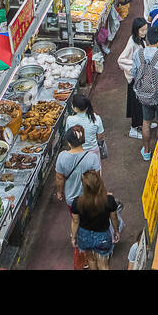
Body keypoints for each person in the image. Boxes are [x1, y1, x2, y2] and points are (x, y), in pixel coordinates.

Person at [54, 127, 100, 261]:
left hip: (72, 199)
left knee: (76, 220)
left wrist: (59, 192)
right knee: (90, 220)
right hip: (89, 198)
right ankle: (93, 245)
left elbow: (59, 178)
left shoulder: (62, 157)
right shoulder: (92, 157)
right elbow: (97, 178)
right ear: (82, 140)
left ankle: (80, 245)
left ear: (69, 142)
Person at [131, 27, 158, 159]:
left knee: (146, 122)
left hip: (144, 93)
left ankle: (146, 151)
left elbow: (134, 73)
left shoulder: (137, 54)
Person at [71, 170, 121, 270]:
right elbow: (114, 217)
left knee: (91, 260)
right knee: (104, 264)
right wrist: (116, 231)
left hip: (84, 236)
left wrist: (73, 237)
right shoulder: (109, 200)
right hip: (102, 236)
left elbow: (75, 221)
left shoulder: (77, 202)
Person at [118, 17, 153, 139]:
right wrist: (135, 66)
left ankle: (144, 121)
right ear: (136, 30)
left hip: (141, 78)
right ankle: (133, 128)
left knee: (142, 103)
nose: (144, 32)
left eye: (145, 30)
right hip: (134, 80)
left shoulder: (141, 40)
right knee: (136, 104)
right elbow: (121, 60)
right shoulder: (132, 42)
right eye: (142, 30)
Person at [65, 93, 106, 158]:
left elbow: (68, 136)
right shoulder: (96, 118)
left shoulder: (70, 120)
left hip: (77, 153)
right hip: (93, 151)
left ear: (75, 108)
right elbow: (100, 136)